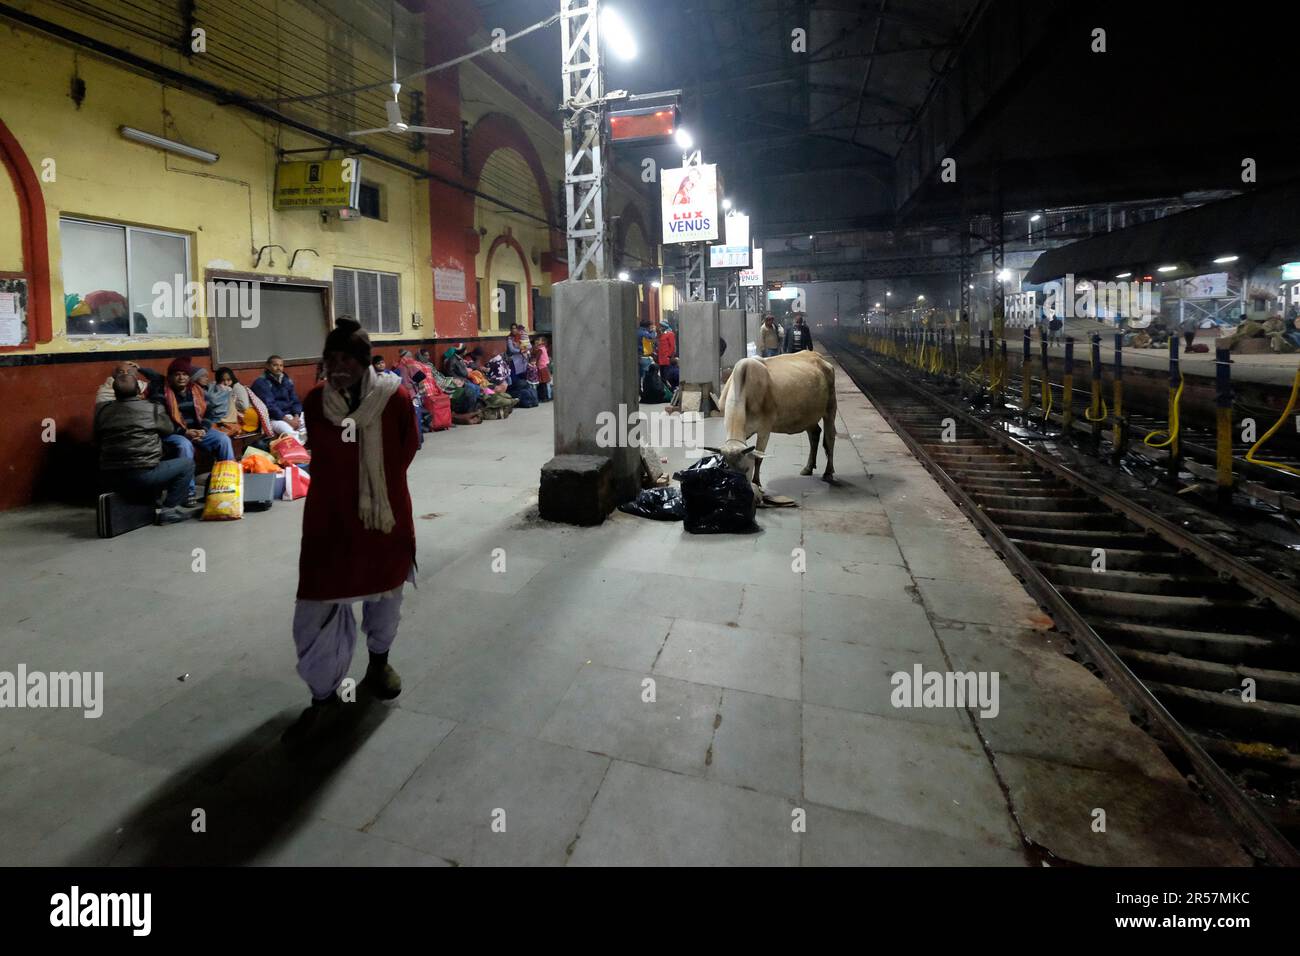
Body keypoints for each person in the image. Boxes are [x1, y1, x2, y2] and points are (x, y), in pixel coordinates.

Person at [284, 319, 419, 745]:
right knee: (317, 607)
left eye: (346, 358)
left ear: (364, 362)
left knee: (385, 596)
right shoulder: (314, 403)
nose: (337, 367)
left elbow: (408, 445)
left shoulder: (394, 398)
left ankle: (379, 662)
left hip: (384, 519)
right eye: (331, 359)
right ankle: (322, 697)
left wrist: (376, 493)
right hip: (329, 521)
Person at [94, 362, 199, 524]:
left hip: (110, 475)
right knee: (186, 464)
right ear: (138, 390)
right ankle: (169, 510)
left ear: (114, 393)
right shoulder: (152, 408)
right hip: (143, 474)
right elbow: (168, 430)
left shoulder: (102, 411)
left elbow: (97, 436)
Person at [159, 358, 235, 498]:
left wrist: (204, 430)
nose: (181, 377)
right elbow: (162, 421)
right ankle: (188, 492)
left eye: (185, 374)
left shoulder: (196, 390)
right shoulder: (162, 393)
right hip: (175, 432)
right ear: (170, 377)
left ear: (189, 377)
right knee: (184, 446)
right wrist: (185, 432)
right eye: (177, 374)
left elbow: (209, 411)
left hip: (198, 430)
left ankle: (228, 484)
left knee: (223, 439)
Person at [252, 354, 306, 441]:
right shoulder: (261, 382)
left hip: (291, 414)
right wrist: (289, 421)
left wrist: (296, 416)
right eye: (275, 365)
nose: (279, 368)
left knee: (311, 425)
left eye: (281, 365)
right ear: (267, 366)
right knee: (290, 433)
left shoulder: (286, 380)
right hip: (275, 418)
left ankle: (301, 451)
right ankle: (296, 453)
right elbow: (270, 406)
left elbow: (295, 400)